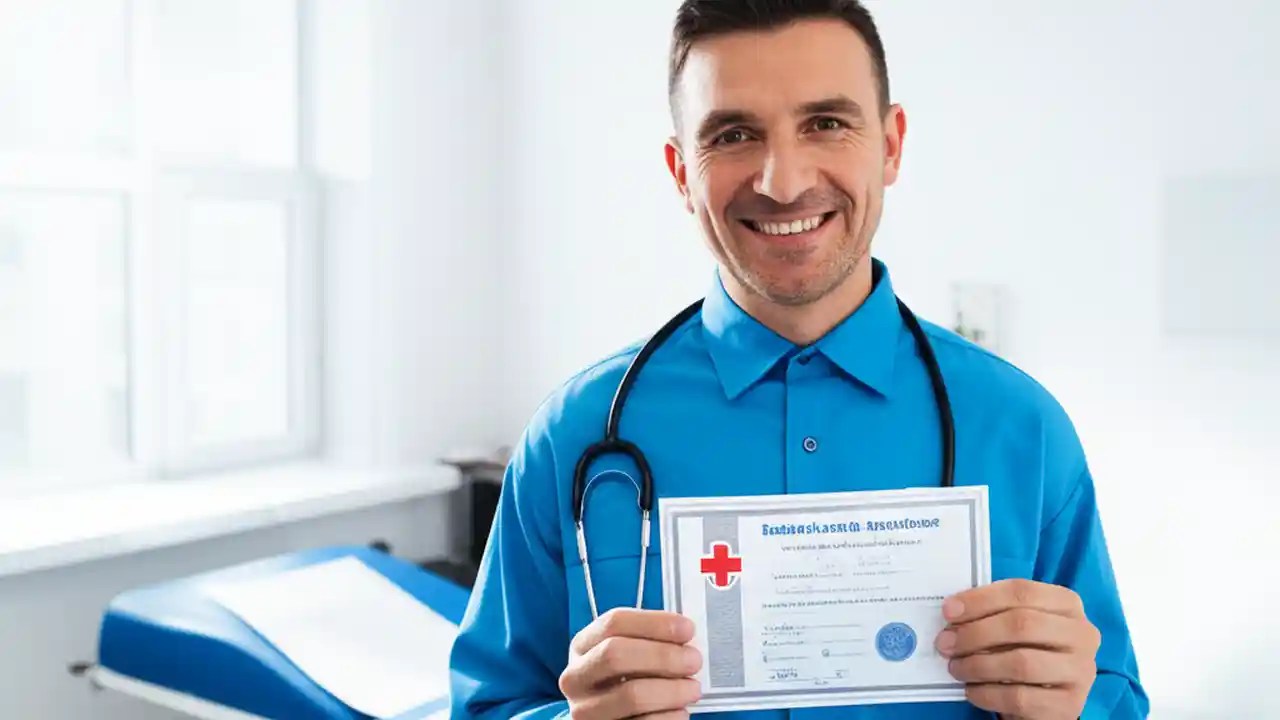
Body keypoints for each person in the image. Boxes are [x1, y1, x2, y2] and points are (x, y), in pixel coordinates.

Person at [449, 0, 1147, 717]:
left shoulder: (1021, 430)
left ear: (891, 145)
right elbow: (486, 703)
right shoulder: (575, 437)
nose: (782, 182)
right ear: (680, 172)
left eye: (826, 123)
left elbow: (1117, 699)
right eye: (733, 134)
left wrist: (1078, 706)